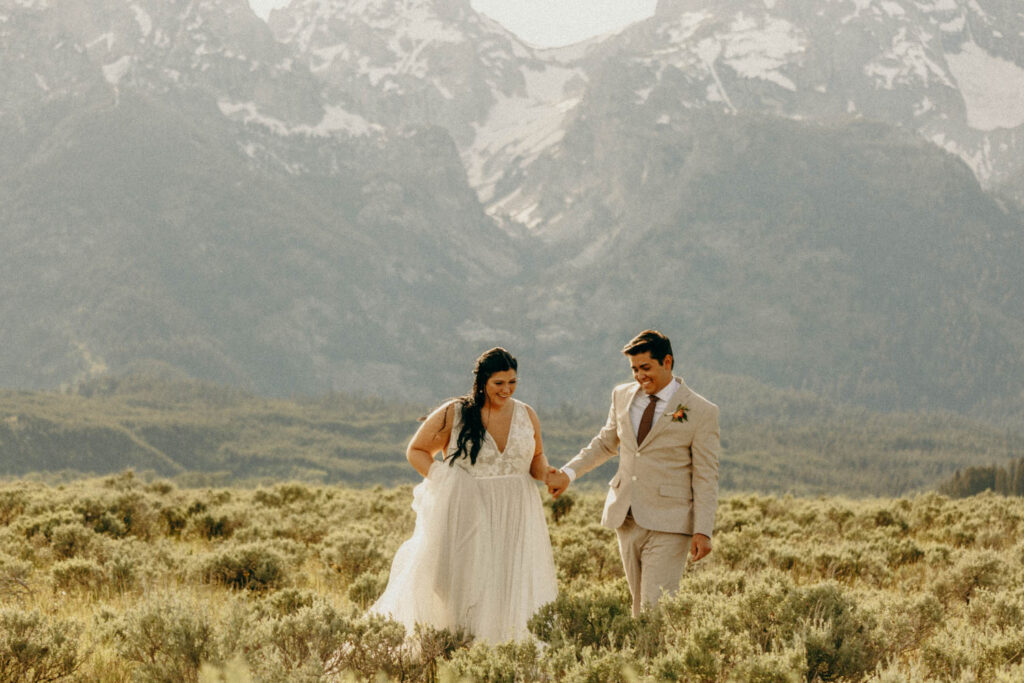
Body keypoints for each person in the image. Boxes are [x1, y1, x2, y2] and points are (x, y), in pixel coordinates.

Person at [370, 347, 557, 642]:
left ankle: (507, 652)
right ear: (483, 381)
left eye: (513, 383)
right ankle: (465, 649)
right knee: (474, 584)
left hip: (518, 513)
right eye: (499, 383)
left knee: (512, 581)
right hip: (470, 512)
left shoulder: (526, 414)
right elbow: (416, 451)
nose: (507, 390)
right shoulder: (455, 413)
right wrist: (448, 481)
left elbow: (537, 459)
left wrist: (548, 474)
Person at [546, 330, 719, 616]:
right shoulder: (622, 395)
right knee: (638, 606)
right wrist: (569, 473)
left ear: (667, 361)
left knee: (655, 609)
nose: (639, 376)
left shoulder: (701, 411)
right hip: (626, 517)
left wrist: (703, 530)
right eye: (634, 369)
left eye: (645, 368)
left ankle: (654, 658)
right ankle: (641, 660)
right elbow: (605, 443)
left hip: (670, 523)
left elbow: (705, 475)